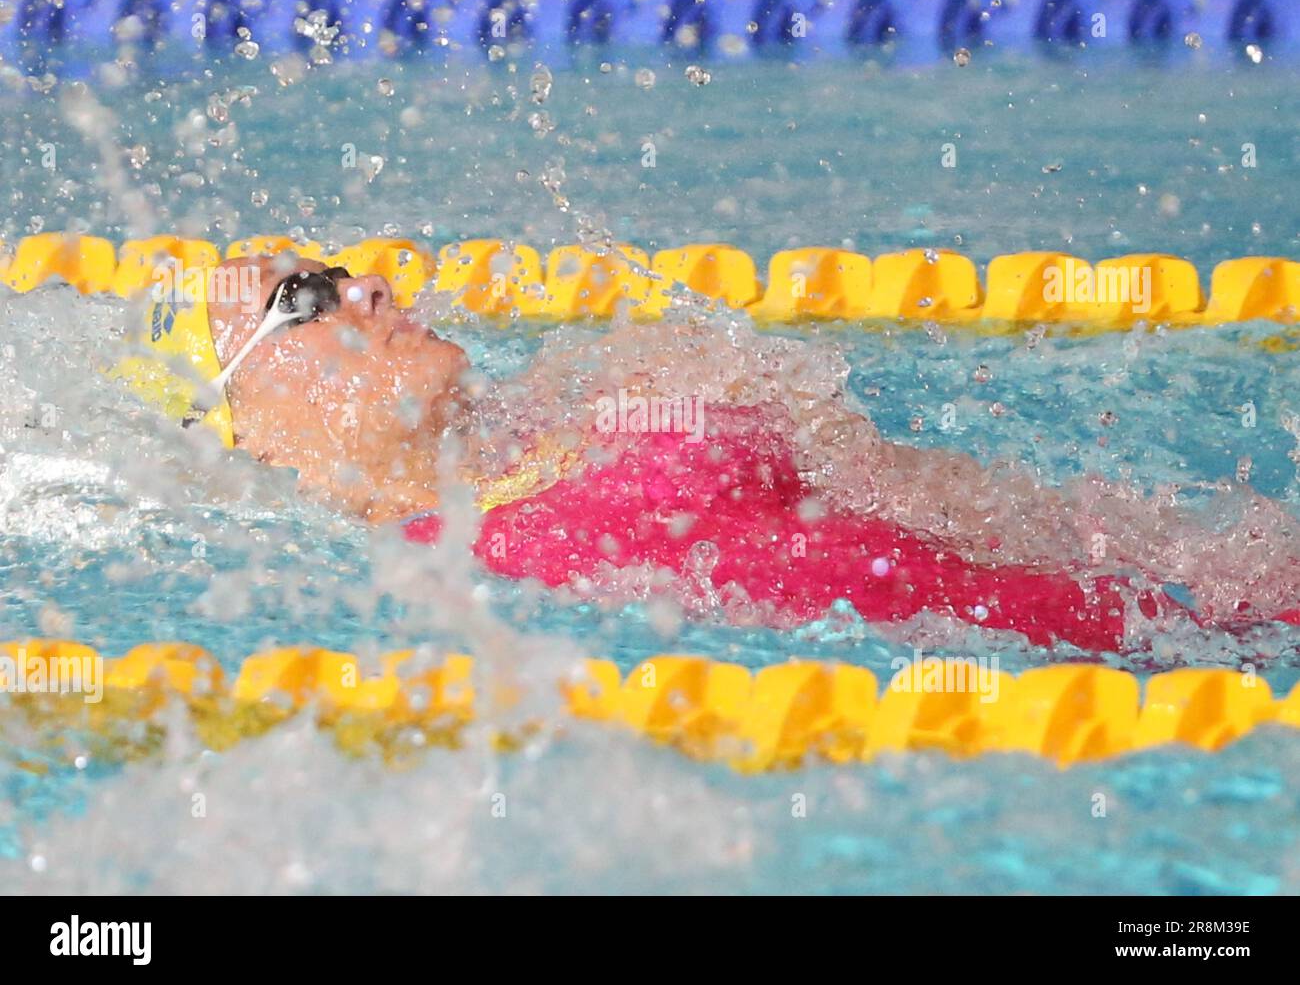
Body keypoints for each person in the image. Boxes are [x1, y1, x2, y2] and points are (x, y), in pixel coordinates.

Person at [125, 253, 1300, 652]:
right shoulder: (444, 566)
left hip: (1195, 585)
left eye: (338, 270)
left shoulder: (534, 431)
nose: (365, 283)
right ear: (245, 429)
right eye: (304, 297)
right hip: (1146, 662)